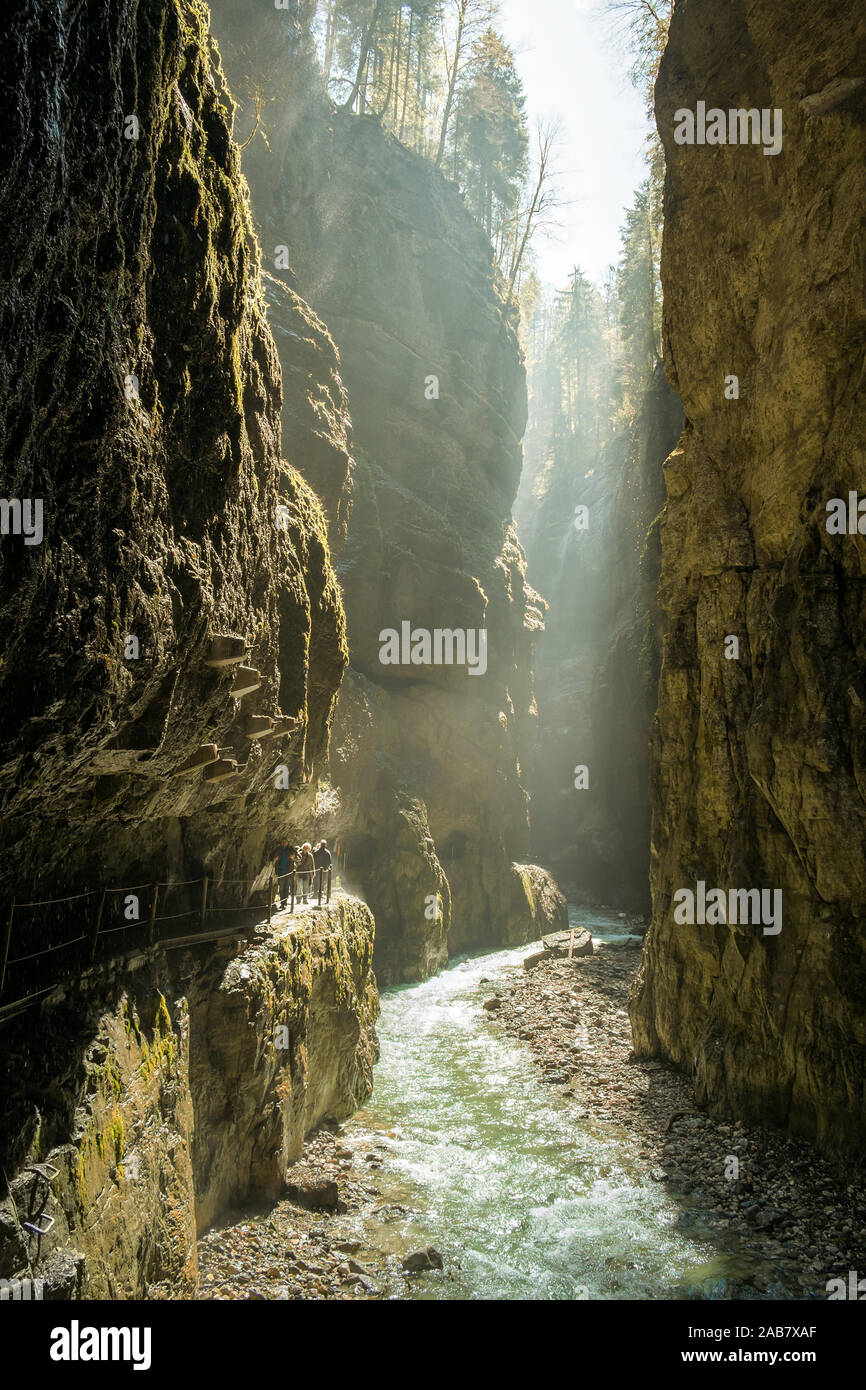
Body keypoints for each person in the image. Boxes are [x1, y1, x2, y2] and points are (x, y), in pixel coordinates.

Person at [274, 839, 297, 909]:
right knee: (281, 888)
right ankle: (282, 903)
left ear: (288, 842)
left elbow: (297, 857)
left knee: (286, 888)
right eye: (283, 842)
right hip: (280, 871)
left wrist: (293, 857)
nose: (284, 843)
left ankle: (285, 903)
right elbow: (273, 857)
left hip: (288, 872)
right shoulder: (278, 849)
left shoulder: (290, 849)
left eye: (285, 842)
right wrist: (275, 858)